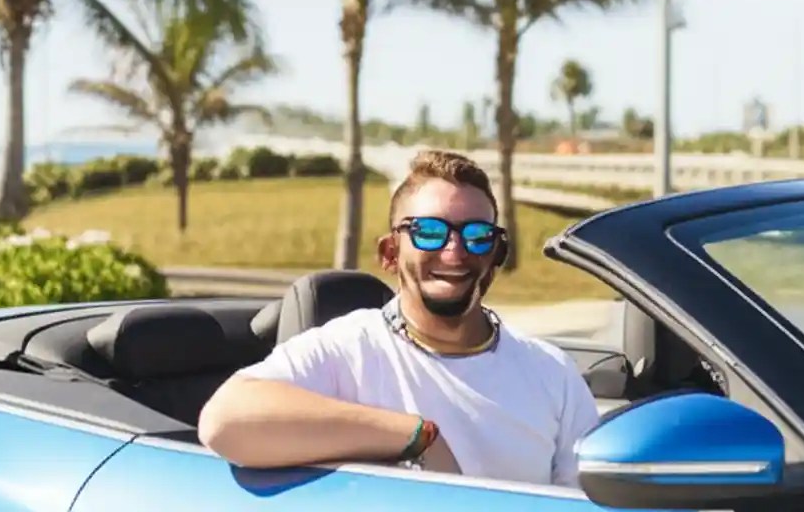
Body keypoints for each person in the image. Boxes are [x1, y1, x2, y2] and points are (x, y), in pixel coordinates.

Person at [198, 149, 599, 487]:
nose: (454, 252)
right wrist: (416, 437)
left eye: (477, 235)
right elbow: (225, 421)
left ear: (496, 256)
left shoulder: (551, 373)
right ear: (390, 253)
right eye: (428, 232)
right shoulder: (350, 349)